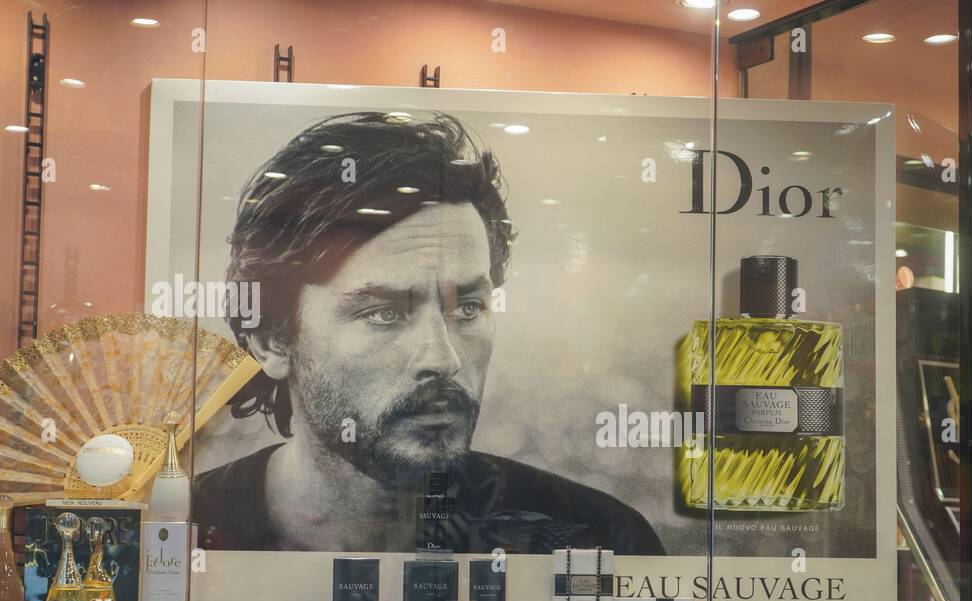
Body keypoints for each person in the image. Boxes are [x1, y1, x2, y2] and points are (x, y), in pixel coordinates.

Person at [191, 111, 664, 555]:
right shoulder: (182, 532)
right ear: (273, 340)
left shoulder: (596, 538)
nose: (442, 358)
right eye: (384, 314)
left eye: (469, 307)